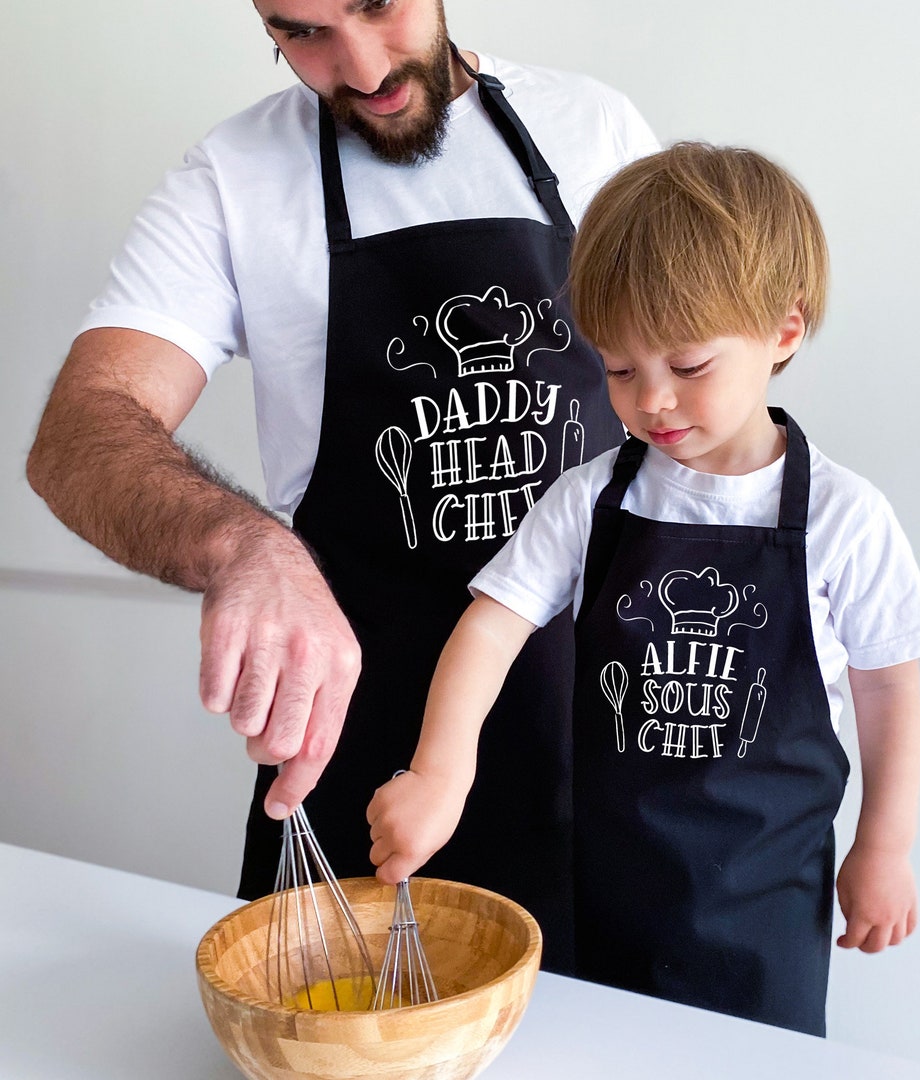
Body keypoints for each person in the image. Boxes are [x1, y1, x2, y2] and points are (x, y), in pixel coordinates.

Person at [25, 0, 658, 974]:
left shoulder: (598, 132)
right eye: (301, 30)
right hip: (372, 774)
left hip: (611, 747)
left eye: (377, 5)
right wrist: (246, 546)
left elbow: (707, 404)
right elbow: (79, 430)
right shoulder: (234, 179)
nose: (361, 68)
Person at [365, 142, 920, 1035]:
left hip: (764, 902)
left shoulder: (844, 516)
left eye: (688, 366)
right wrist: (440, 772)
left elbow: (887, 690)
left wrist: (885, 845)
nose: (653, 402)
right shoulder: (591, 496)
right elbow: (492, 626)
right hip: (605, 880)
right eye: (621, 369)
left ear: (783, 333)